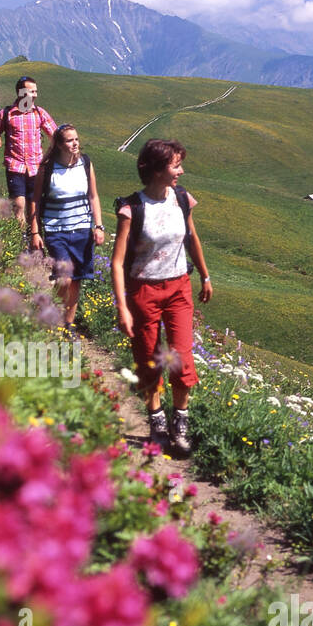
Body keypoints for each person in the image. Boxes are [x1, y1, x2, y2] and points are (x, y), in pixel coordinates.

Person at [111, 138, 212, 457]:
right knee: (149, 358)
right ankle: (156, 422)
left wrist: (205, 275)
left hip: (179, 287)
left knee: (181, 356)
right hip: (144, 290)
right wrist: (122, 307)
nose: (181, 171)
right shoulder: (131, 209)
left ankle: (180, 424)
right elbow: (117, 262)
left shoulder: (182, 199)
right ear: (156, 170)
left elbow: (192, 238)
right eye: (175, 166)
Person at [30, 124, 105, 332]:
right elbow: (35, 201)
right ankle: (50, 312)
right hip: (56, 231)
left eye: (76, 139)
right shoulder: (47, 168)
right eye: (70, 140)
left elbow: (93, 196)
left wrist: (99, 226)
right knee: (65, 278)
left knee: (76, 281)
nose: (75, 143)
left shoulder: (85, 163)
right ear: (59, 145)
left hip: (82, 230)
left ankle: (67, 325)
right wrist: (35, 232)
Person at [0, 74, 57, 227]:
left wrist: (49, 158)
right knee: (18, 205)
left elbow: (56, 136)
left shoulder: (39, 113)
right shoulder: (6, 114)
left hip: (36, 167)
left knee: (34, 206)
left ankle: (34, 235)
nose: (35, 95)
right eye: (31, 92)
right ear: (21, 93)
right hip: (15, 166)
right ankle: (22, 236)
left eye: (35, 91)